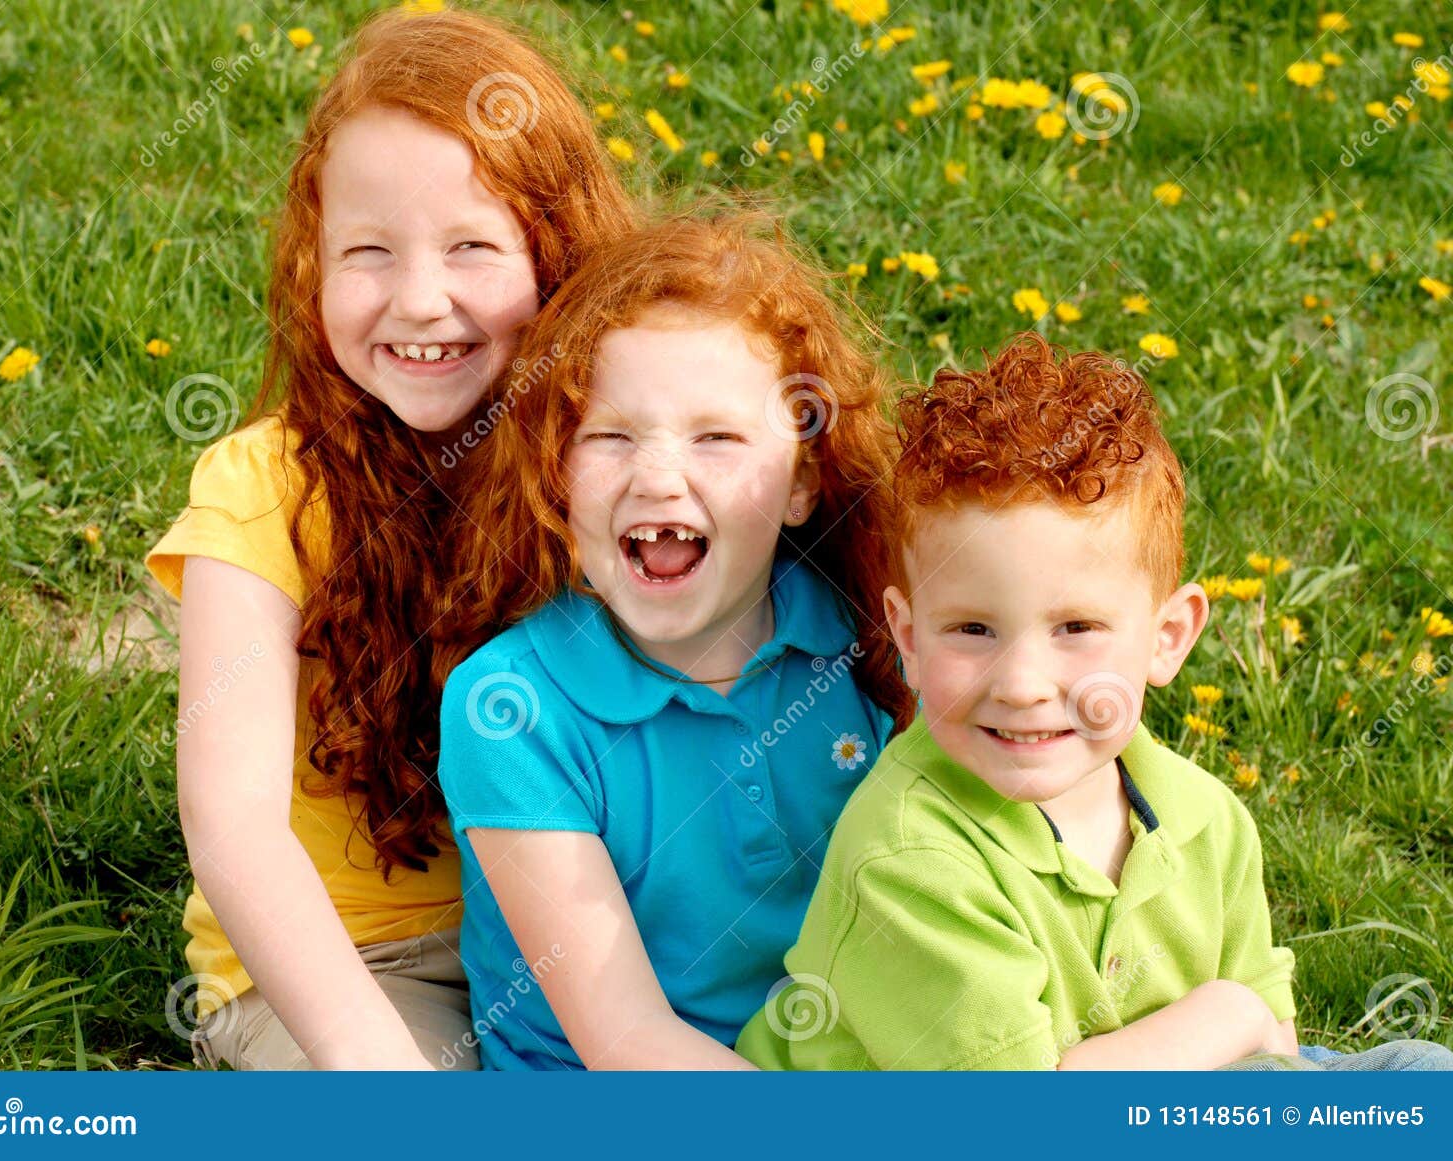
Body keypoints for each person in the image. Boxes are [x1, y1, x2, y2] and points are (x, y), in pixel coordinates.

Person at [736, 334, 1453, 1071]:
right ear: (910, 638)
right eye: (973, 630)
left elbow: (1281, 1043)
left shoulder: (1205, 819)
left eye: (1076, 628)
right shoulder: (909, 858)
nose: (1022, 684)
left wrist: (1248, 1026)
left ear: (1167, 638)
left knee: (1422, 1073)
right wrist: (1231, 1012)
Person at [145, 8, 636, 1070]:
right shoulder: (263, 490)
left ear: (558, 256)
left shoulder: (611, 462)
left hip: (600, 933)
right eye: (368, 252)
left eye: (472, 247)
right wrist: (381, 1071)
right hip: (360, 966)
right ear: (312, 264)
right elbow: (232, 824)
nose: (420, 301)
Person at [436, 215, 914, 1069]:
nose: (658, 476)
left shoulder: (868, 641)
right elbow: (625, 1037)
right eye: (611, 435)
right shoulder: (511, 710)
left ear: (803, 480)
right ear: (556, 471)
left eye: (717, 437)